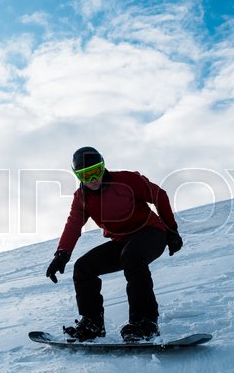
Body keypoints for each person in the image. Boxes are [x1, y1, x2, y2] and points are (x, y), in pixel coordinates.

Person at [45, 146, 183, 342]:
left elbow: (159, 195)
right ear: (78, 176)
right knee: (83, 267)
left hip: (152, 233)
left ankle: (145, 322)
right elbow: (73, 225)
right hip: (122, 242)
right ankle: (92, 324)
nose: (93, 179)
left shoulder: (127, 180)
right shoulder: (81, 198)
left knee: (132, 256)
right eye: (86, 175)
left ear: (103, 167)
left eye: (96, 171)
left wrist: (172, 230)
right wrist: (62, 254)